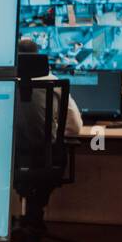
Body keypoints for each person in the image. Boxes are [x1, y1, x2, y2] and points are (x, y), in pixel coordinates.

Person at [13, 37, 82, 230]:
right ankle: (34, 218)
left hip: (12, 162)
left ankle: (28, 220)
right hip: (47, 161)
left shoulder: (5, 86)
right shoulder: (55, 84)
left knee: (24, 173)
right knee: (43, 168)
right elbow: (75, 128)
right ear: (39, 58)